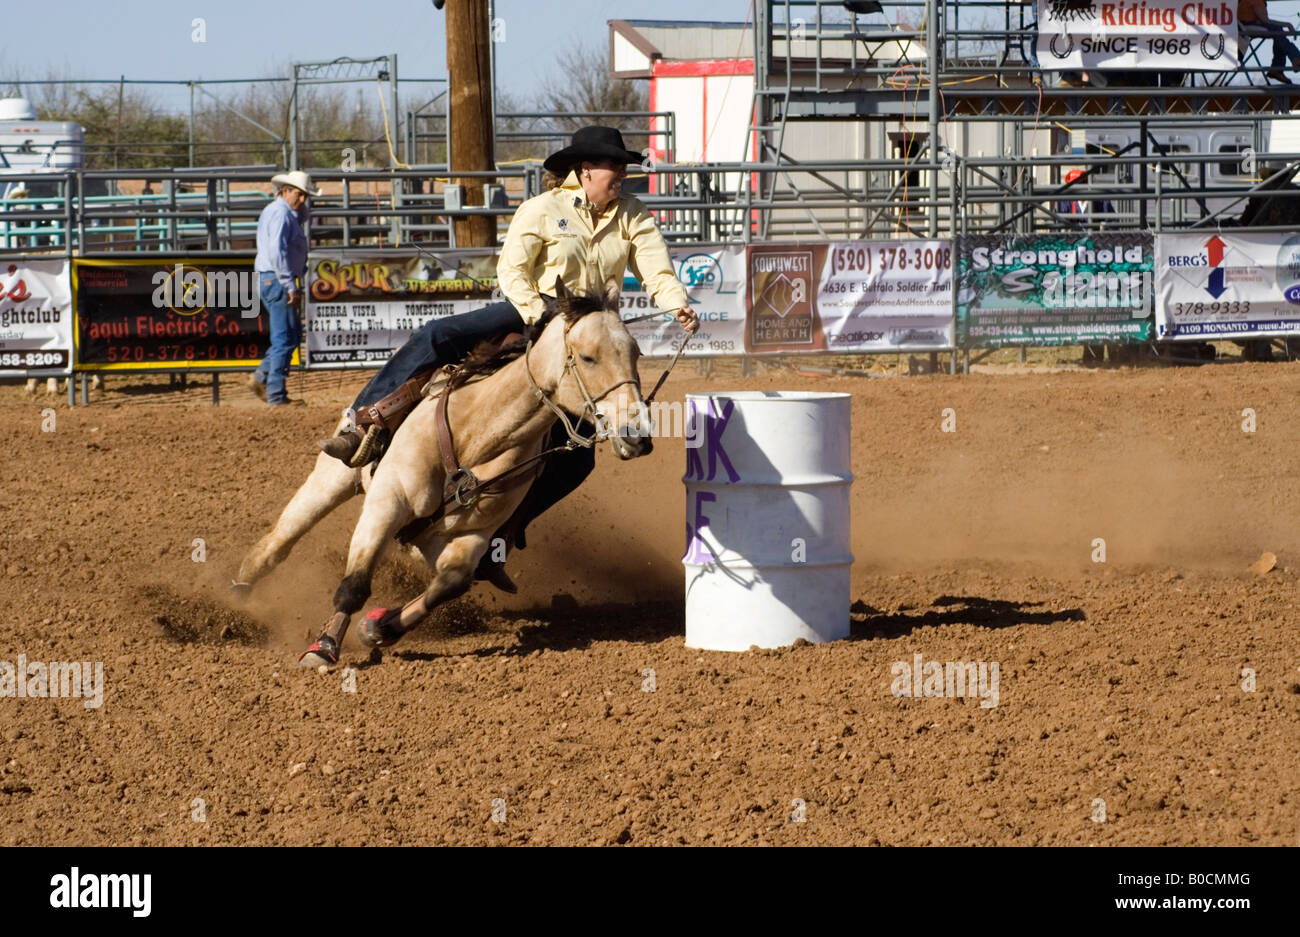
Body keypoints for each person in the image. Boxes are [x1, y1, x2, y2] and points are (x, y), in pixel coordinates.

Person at [318, 126, 699, 590]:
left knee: (578, 461)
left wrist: (676, 302)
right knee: (438, 335)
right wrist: (540, 315)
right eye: (613, 165)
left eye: (623, 165)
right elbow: (512, 271)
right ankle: (363, 418)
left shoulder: (632, 215)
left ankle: (503, 531)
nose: (621, 172)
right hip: (531, 313)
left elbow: (656, 269)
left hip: (589, 335)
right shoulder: (542, 209)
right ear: (586, 170)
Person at [250, 170, 319, 405]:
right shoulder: (281, 214)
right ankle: (275, 394)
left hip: (273, 279)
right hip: (278, 280)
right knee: (285, 339)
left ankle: (263, 378)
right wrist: (290, 285)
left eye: (305, 197)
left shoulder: (280, 212)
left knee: (289, 336)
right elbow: (277, 252)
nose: (302, 201)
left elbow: (302, 217)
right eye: (299, 195)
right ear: (285, 191)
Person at [1239, 0, 1300, 84]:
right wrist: (1287, 24)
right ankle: (1293, 59)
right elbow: (1265, 20)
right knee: (1277, 30)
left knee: (1278, 33)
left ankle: (1280, 68)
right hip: (1245, 26)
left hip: (1244, 25)